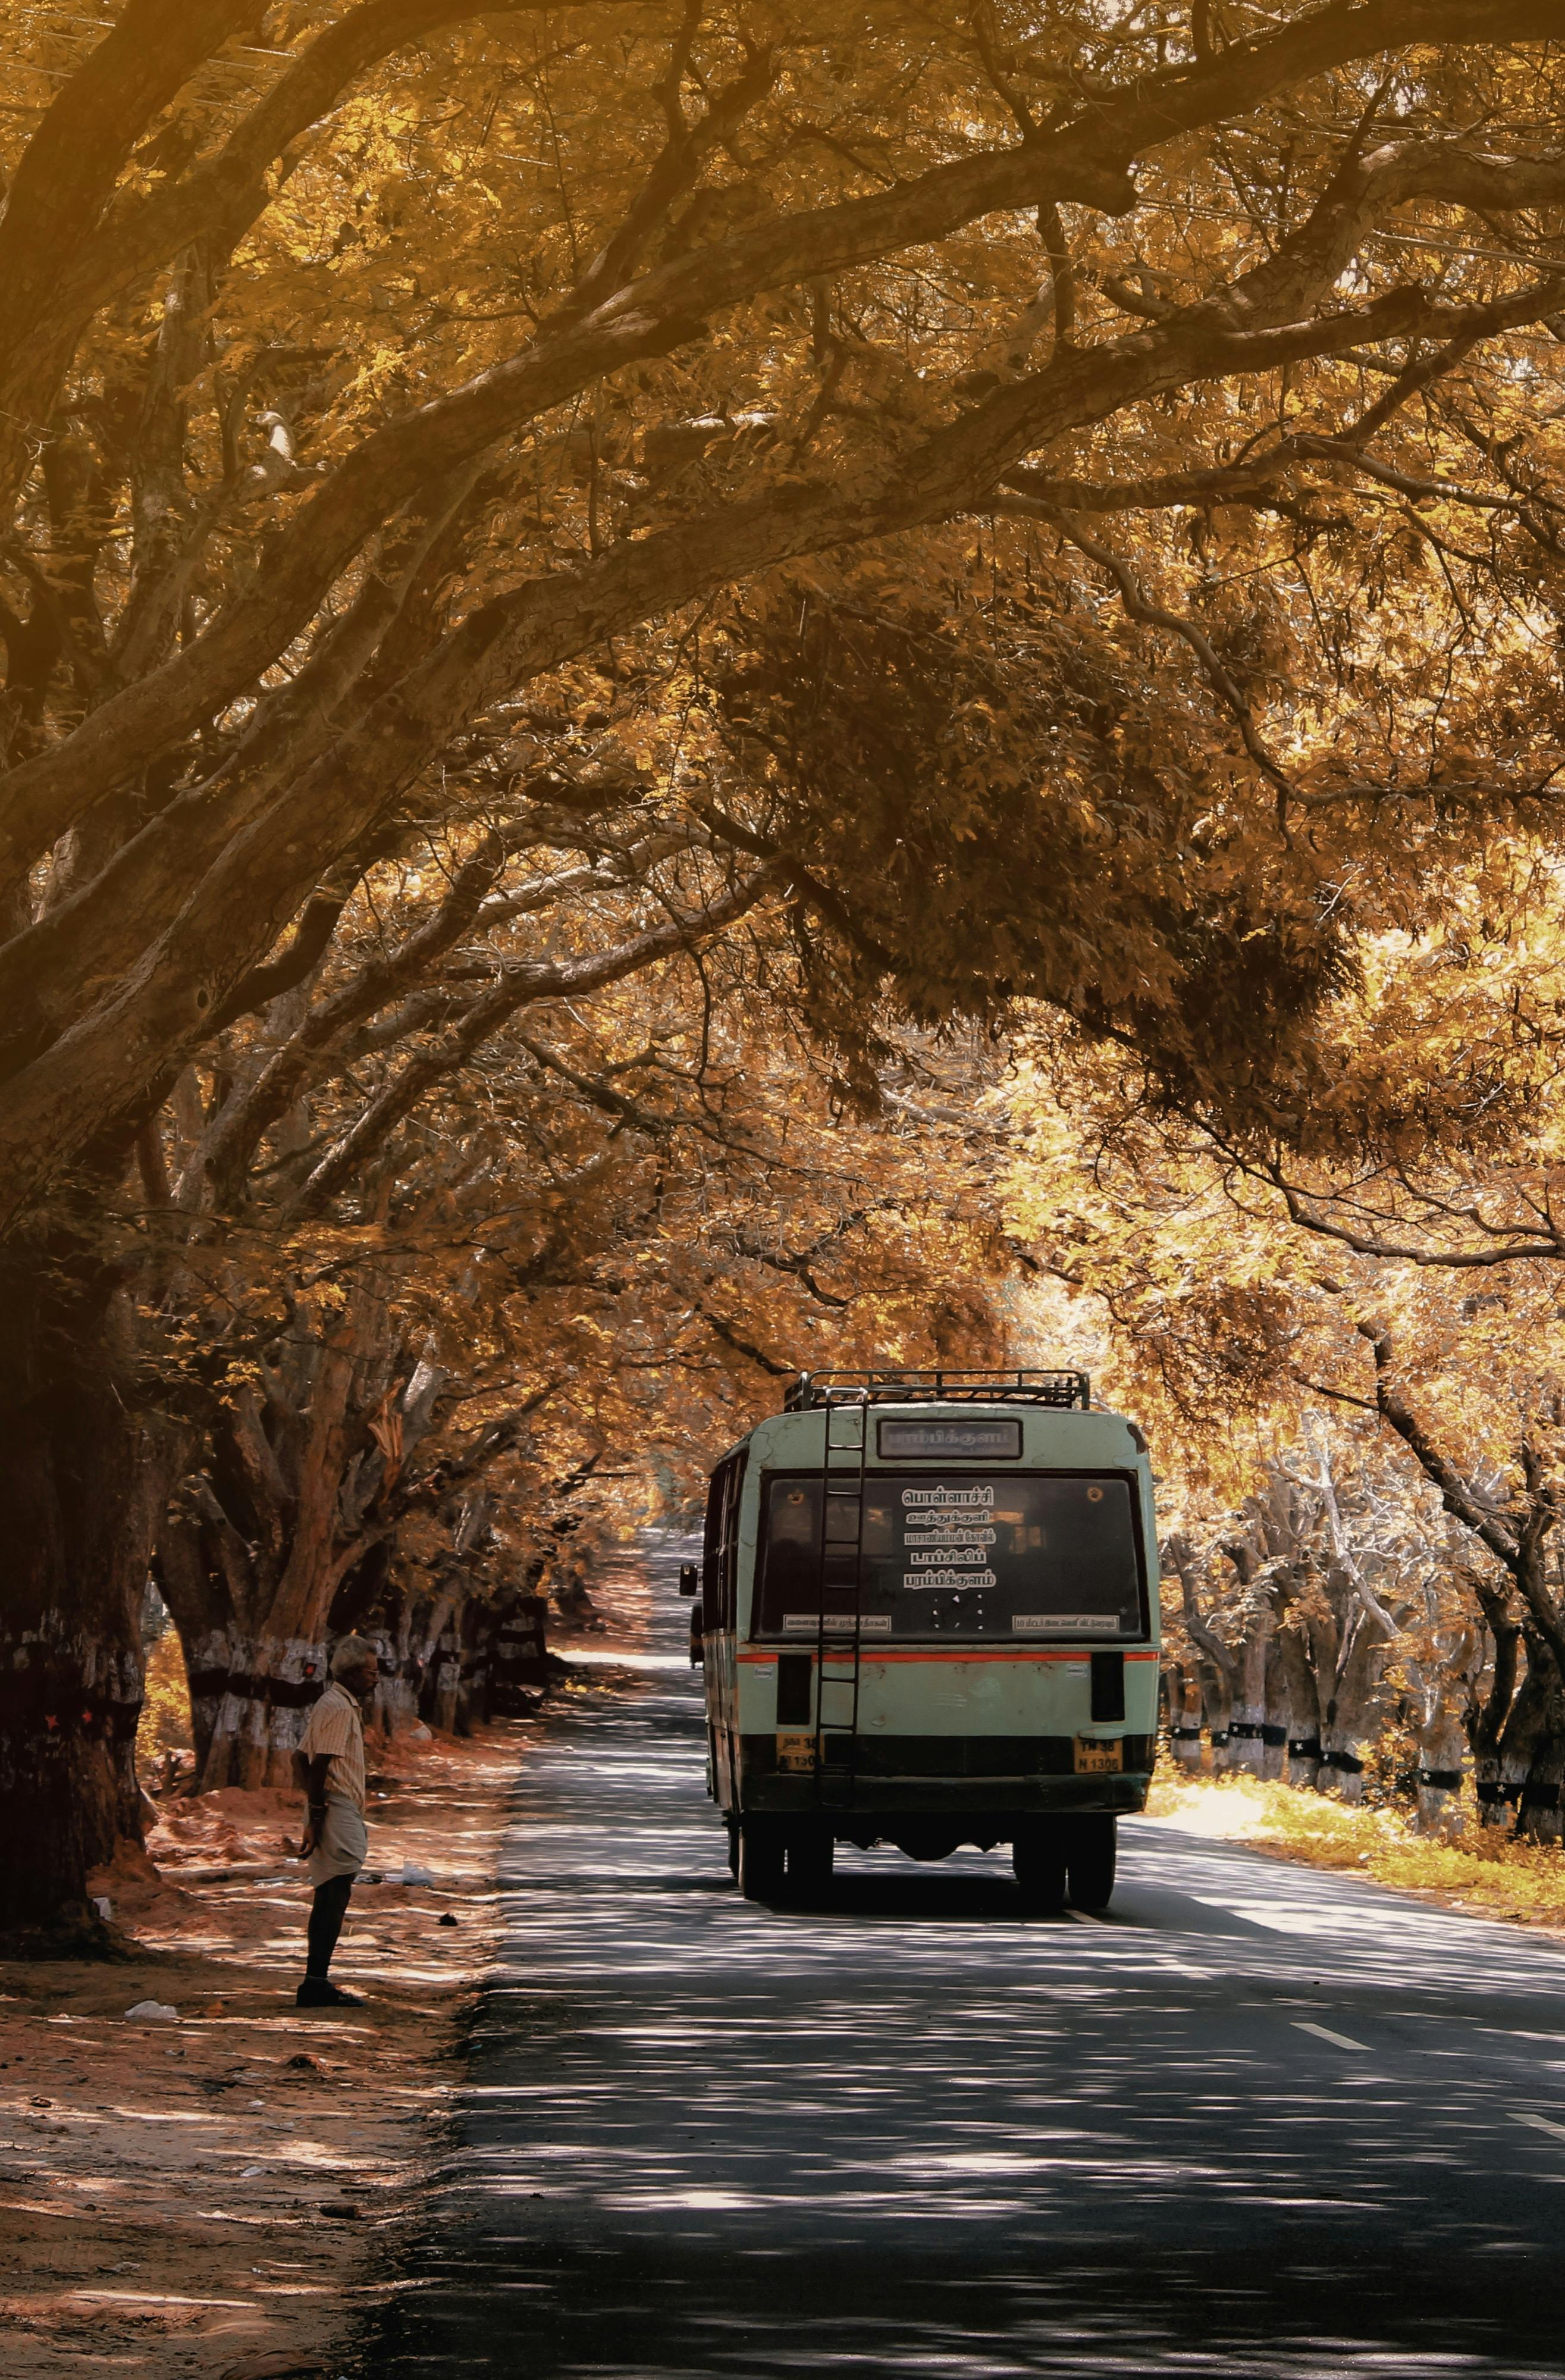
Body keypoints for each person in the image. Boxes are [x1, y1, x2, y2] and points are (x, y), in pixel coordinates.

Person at [294, 1635, 379, 2008]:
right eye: (371, 1673)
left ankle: (316, 1981)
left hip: (332, 1805)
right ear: (353, 1673)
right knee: (335, 1892)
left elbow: (298, 1760)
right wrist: (316, 1815)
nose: (376, 1680)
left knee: (330, 1891)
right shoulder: (340, 1708)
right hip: (335, 1805)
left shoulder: (333, 1702)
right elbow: (317, 1766)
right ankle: (315, 1984)